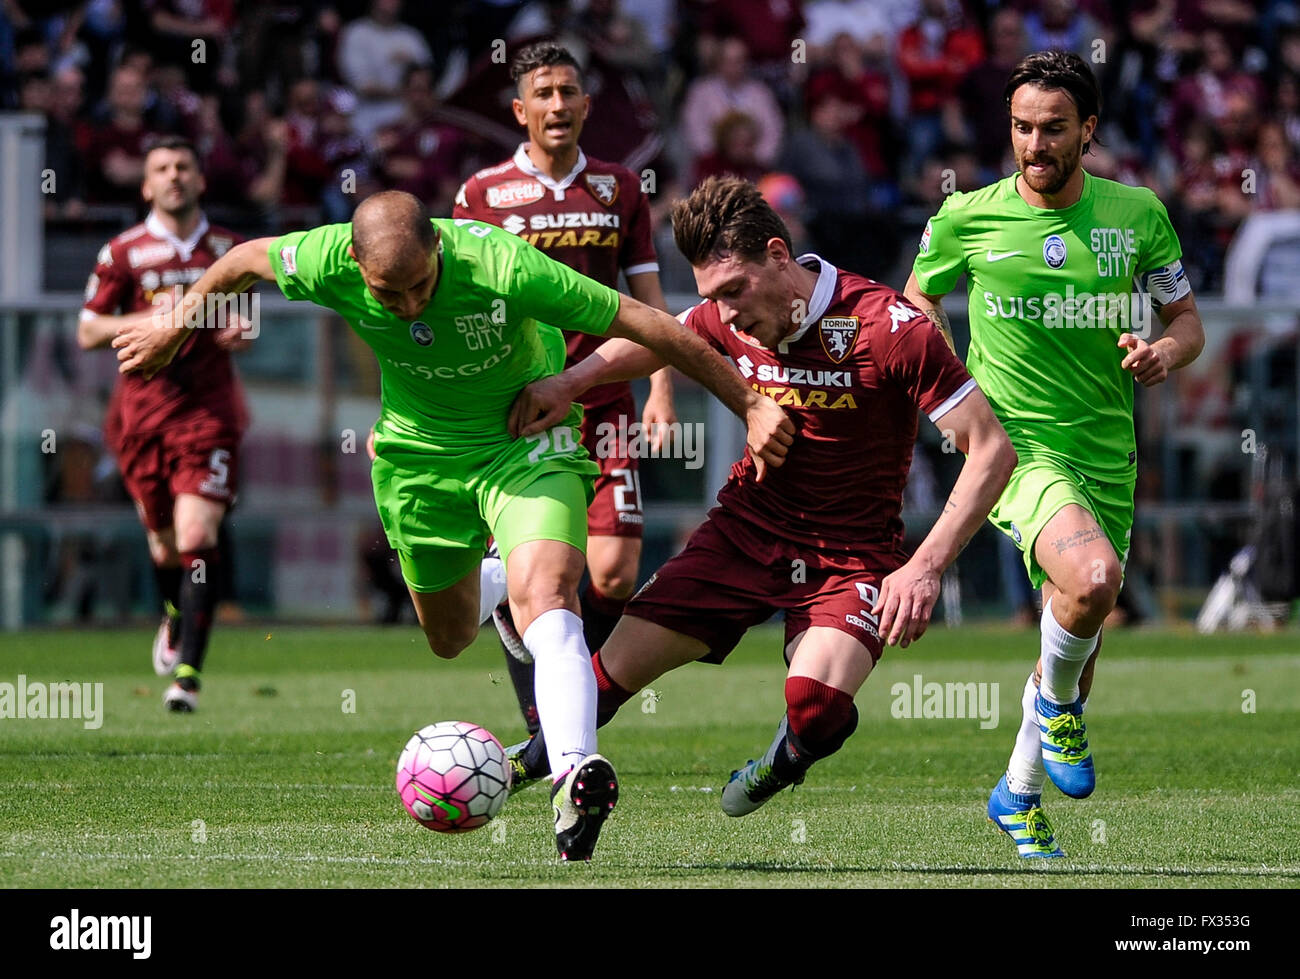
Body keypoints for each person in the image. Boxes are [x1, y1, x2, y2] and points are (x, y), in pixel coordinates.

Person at [112, 189, 793, 861]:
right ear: (353, 263)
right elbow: (244, 260)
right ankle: (492, 587)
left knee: (553, 598)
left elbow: (650, 322)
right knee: (448, 635)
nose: (410, 305)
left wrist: (749, 405)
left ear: (440, 247)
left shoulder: (505, 266)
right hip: (418, 461)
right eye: (390, 293)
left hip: (525, 441)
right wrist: (174, 322)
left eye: (420, 285)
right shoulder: (326, 260)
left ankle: (572, 777)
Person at [501, 175, 1016, 816]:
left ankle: (783, 760)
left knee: (819, 710)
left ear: (778, 256)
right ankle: (510, 768)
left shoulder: (888, 327)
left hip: (850, 555)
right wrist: (570, 382)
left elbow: (991, 450)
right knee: (604, 681)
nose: (727, 311)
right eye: (714, 297)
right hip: (743, 534)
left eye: (735, 291)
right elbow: (657, 337)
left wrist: (925, 565)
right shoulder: (724, 316)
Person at [904, 51, 1205, 857]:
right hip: (1015, 447)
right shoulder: (968, 215)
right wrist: (950, 394)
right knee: (1095, 579)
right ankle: (1062, 716)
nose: (1034, 144)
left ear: (1090, 131)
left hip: (1107, 451)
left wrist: (1161, 355)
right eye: (1021, 128)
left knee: (1079, 618)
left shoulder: (1138, 214)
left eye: (1053, 129)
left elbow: (1188, 324)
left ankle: (1018, 790)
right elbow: (918, 300)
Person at [452, 42, 678, 738]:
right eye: (543, 94)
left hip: (603, 396)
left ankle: (576, 684)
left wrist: (663, 389)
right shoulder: (483, 195)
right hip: (518, 406)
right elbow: (456, 309)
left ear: (586, 104)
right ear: (520, 110)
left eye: (568, 92)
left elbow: (648, 302)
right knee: (544, 569)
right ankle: (550, 720)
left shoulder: (620, 187)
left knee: (612, 573)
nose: (557, 105)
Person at [78, 135, 249, 713]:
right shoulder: (123, 252)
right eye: (162, 169)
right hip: (141, 417)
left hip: (208, 415)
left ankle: (189, 676)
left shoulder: (228, 247)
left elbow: (246, 321)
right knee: (164, 542)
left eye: (184, 166)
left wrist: (240, 333)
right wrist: (155, 317)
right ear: (146, 184)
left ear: (200, 178)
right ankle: (173, 613)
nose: (174, 176)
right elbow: (87, 330)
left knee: (198, 534)